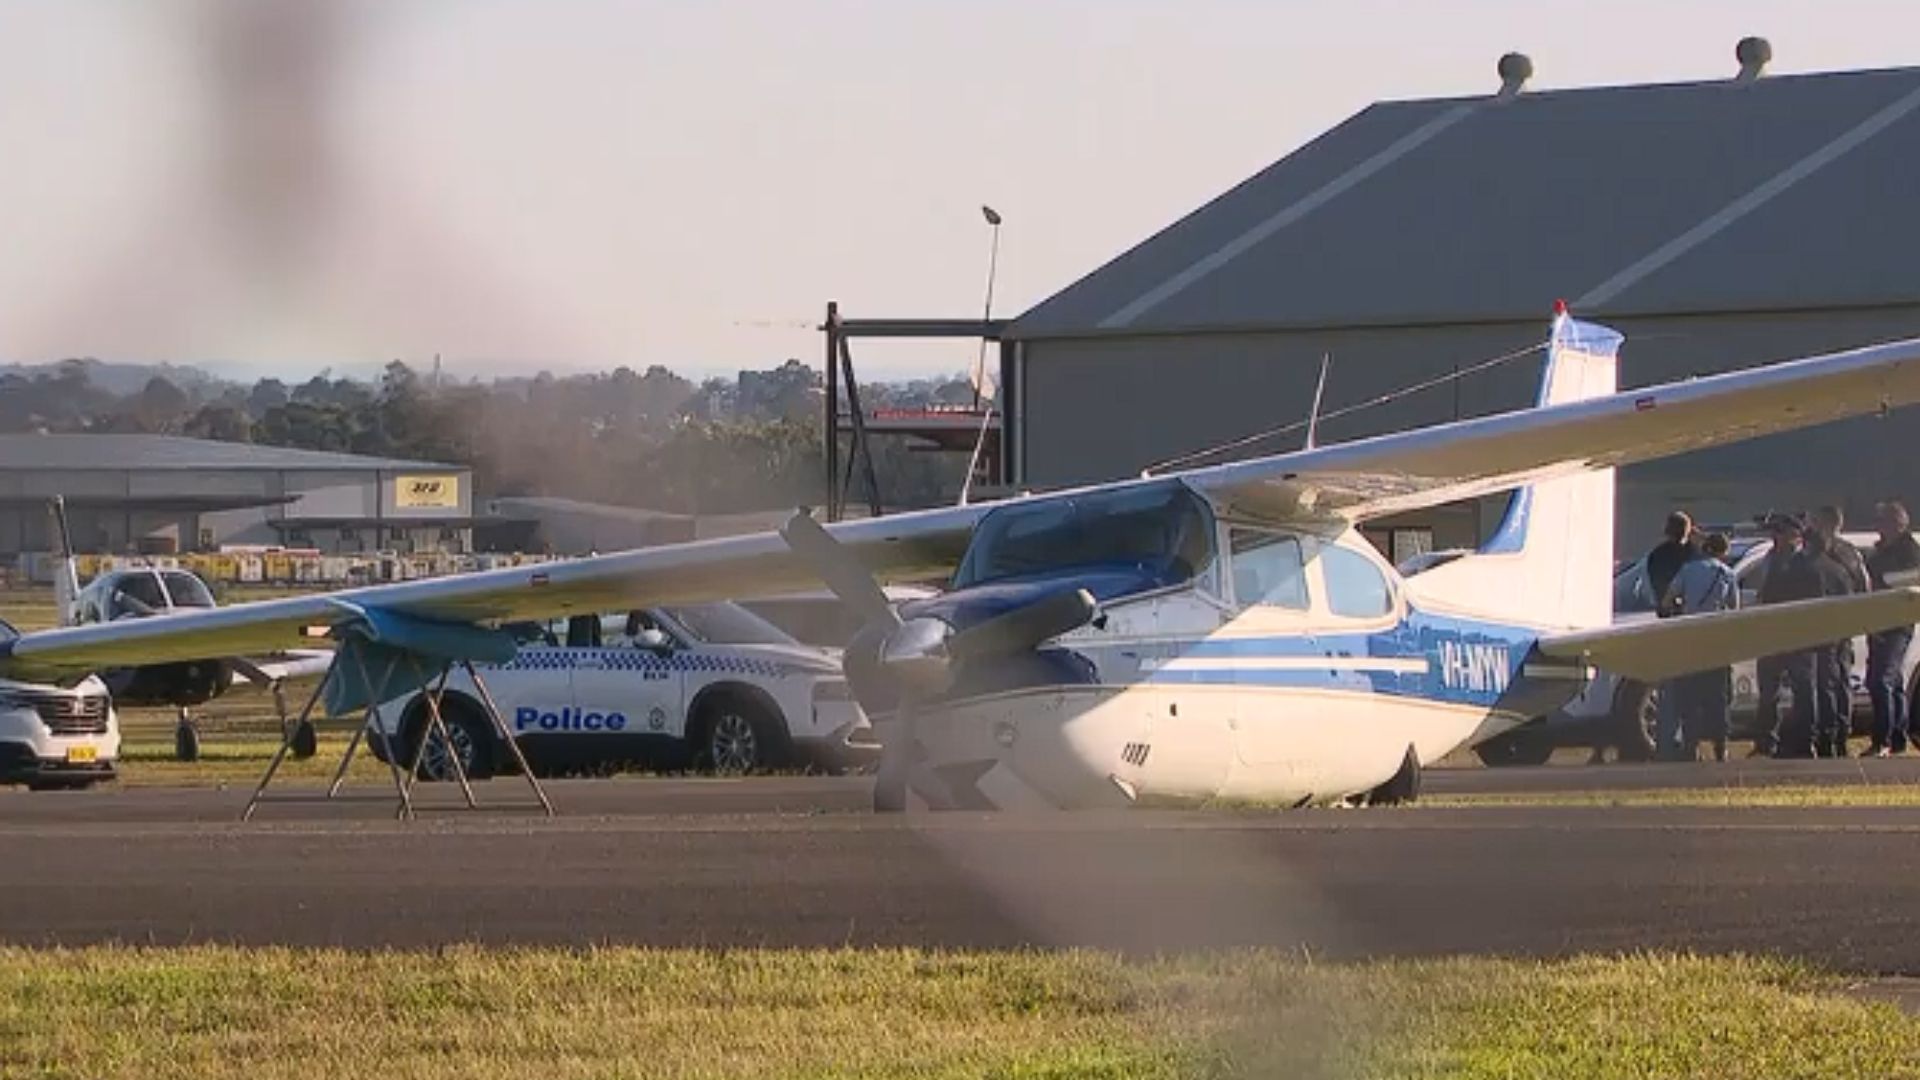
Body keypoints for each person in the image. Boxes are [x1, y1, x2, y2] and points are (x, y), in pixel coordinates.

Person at [1661, 532, 1740, 761]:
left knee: (1690, 696)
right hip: (1717, 641)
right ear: (1723, 552)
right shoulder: (1727, 574)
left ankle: (1691, 746)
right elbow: (1734, 609)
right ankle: (1720, 746)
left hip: (1692, 639)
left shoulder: (1688, 570)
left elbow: (1668, 599)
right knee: (1718, 697)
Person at [1753, 513, 1824, 758]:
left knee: (1803, 689)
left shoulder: (1806, 564)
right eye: (1775, 533)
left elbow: (1814, 600)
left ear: (1795, 536)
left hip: (1799, 635)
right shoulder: (1770, 560)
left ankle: (1805, 741)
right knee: (1768, 691)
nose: (1776, 537)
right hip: (1771, 634)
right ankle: (1766, 741)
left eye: (1781, 533)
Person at [1810, 505, 1871, 749]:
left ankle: (1830, 733)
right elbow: (1864, 586)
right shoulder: (1851, 553)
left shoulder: (1821, 553)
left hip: (1825, 625)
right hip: (1845, 624)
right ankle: (1841, 730)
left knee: (1826, 680)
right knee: (1842, 679)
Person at [1864, 500, 1920, 756]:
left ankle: (1882, 739)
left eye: (1883, 521)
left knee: (1881, 680)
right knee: (1894, 680)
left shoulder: (1910, 551)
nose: (1878, 527)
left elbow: (1909, 583)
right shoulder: (1878, 551)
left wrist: (1887, 583)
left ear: (1897, 524)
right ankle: (1898, 738)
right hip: (1877, 619)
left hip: (1898, 622)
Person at [1801, 521, 1860, 757]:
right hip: (1836, 636)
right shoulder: (1838, 570)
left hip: (1809, 637)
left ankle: (1815, 738)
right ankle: (1837, 736)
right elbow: (1851, 601)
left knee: (1811, 688)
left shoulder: (1802, 568)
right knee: (1833, 686)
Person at [1644, 511, 1699, 760]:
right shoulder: (1695, 557)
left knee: (1668, 690)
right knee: (1691, 691)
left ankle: (1666, 744)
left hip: (1668, 625)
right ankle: (1690, 743)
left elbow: (1657, 591)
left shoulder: (1657, 556)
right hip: (1692, 626)